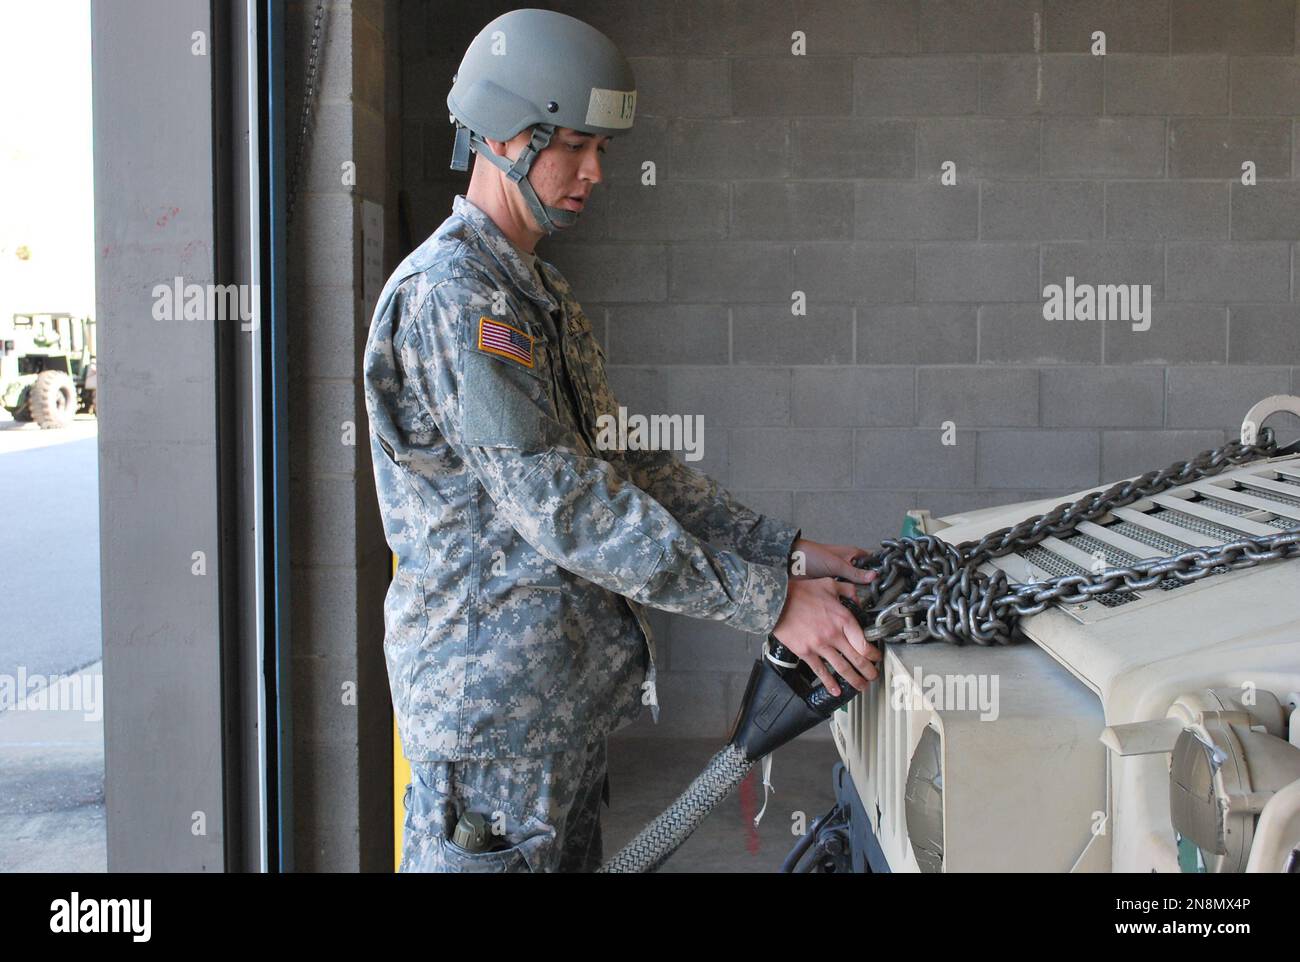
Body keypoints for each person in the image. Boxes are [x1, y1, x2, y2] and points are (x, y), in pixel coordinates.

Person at [362, 8, 882, 873]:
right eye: (573, 144)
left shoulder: (538, 294)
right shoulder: (455, 299)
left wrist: (786, 553)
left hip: (558, 715)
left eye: (600, 148)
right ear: (506, 138)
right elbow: (566, 506)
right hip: (493, 733)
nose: (595, 171)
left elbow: (623, 465)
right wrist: (770, 604)